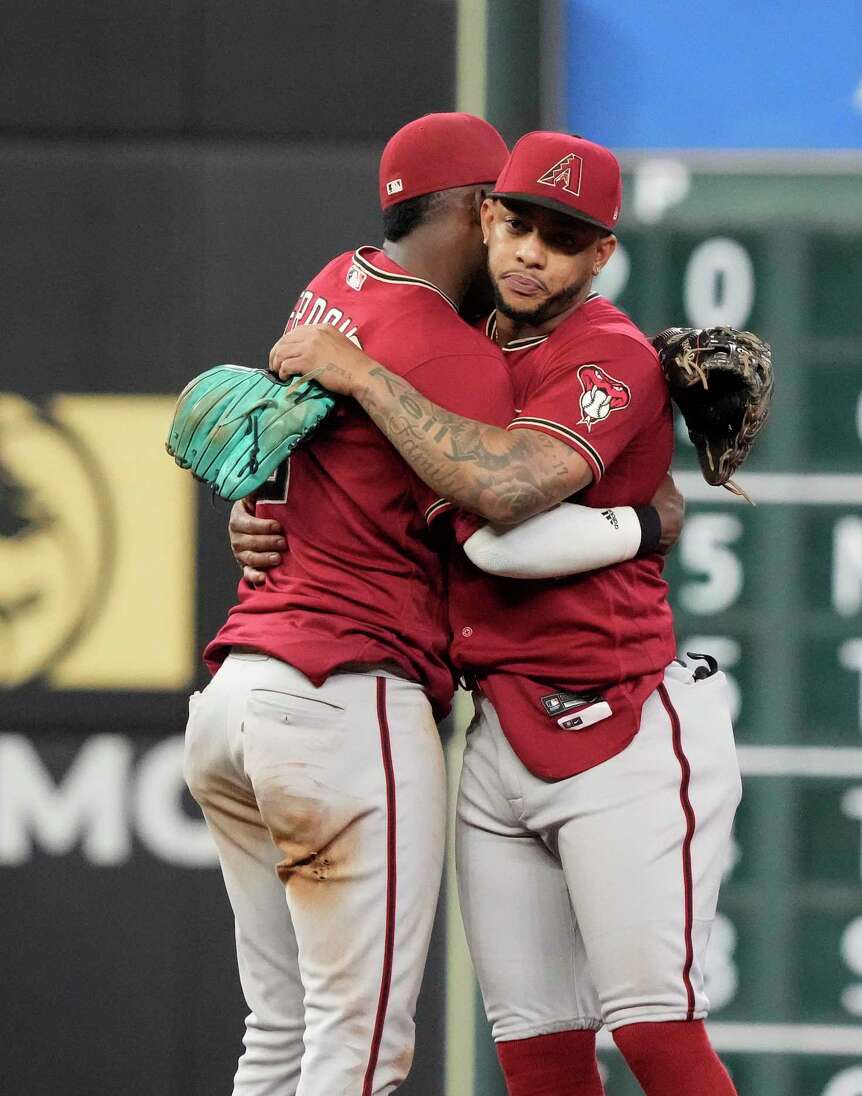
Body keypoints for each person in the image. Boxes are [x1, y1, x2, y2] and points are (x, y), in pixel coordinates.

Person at [186, 114, 678, 1096]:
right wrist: (648, 513)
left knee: (277, 1035)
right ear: (470, 211)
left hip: (234, 699)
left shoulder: (335, 282)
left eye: (552, 230)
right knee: (358, 1050)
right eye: (504, 212)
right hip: (341, 699)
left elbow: (294, 452)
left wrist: (258, 511)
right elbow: (501, 501)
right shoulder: (454, 355)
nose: (522, 241)